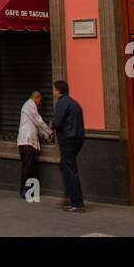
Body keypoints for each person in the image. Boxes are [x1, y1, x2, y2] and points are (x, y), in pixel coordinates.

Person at [51, 79, 85, 212]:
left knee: (70, 170)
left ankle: (77, 203)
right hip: (77, 140)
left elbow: (58, 122)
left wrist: (50, 125)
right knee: (64, 167)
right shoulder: (74, 103)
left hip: (67, 141)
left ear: (58, 91)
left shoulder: (62, 103)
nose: (53, 92)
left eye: (54, 89)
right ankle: (69, 197)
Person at [17, 90, 54, 200]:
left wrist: (46, 136)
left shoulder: (30, 107)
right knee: (27, 167)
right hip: (26, 141)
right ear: (36, 98)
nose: (40, 103)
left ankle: (30, 191)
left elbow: (36, 127)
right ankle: (23, 190)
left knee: (30, 168)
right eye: (40, 100)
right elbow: (39, 121)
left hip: (29, 142)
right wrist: (50, 132)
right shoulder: (29, 105)